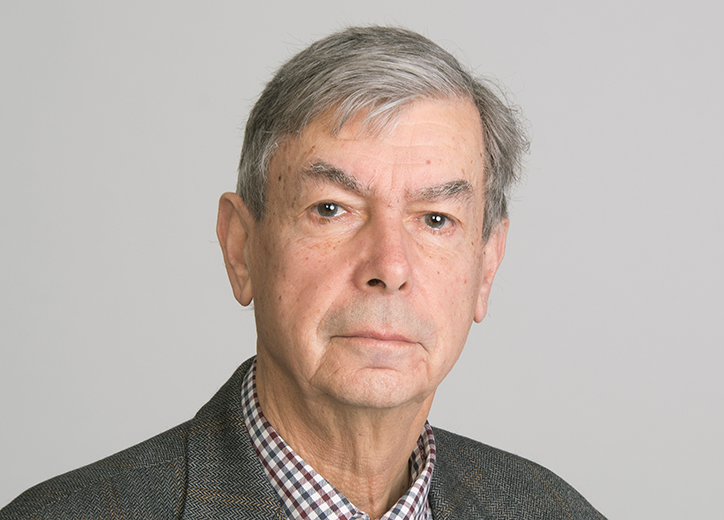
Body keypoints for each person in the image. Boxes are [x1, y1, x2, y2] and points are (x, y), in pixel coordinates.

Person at [1, 26, 606, 520]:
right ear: (242, 249)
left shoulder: (555, 511)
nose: (389, 267)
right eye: (331, 210)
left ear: (486, 266)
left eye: (435, 219)